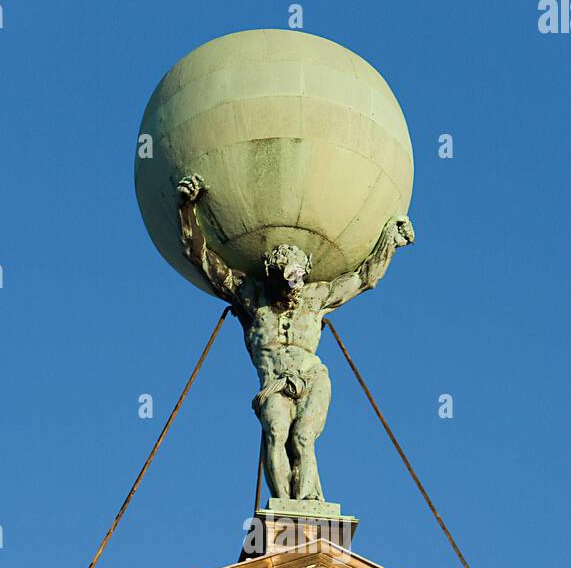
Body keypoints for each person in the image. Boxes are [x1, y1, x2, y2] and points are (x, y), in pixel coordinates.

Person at [176, 173, 413, 502]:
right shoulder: (250, 297)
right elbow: (198, 255)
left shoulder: (315, 299)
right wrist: (186, 206)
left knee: (303, 438)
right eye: (287, 280)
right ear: (273, 277)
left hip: (312, 376)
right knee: (275, 432)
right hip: (274, 380)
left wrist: (390, 238)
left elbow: (364, 278)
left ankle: (306, 513)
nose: (293, 289)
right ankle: (285, 508)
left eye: (299, 280)